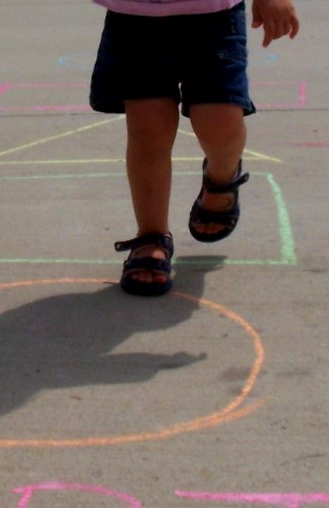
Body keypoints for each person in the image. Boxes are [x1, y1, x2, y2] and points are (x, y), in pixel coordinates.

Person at [90, 0, 299, 295]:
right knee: (148, 132)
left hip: (213, 16)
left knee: (221, 123)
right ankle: (151, 236)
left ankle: (222, 177)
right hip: (133, 18)